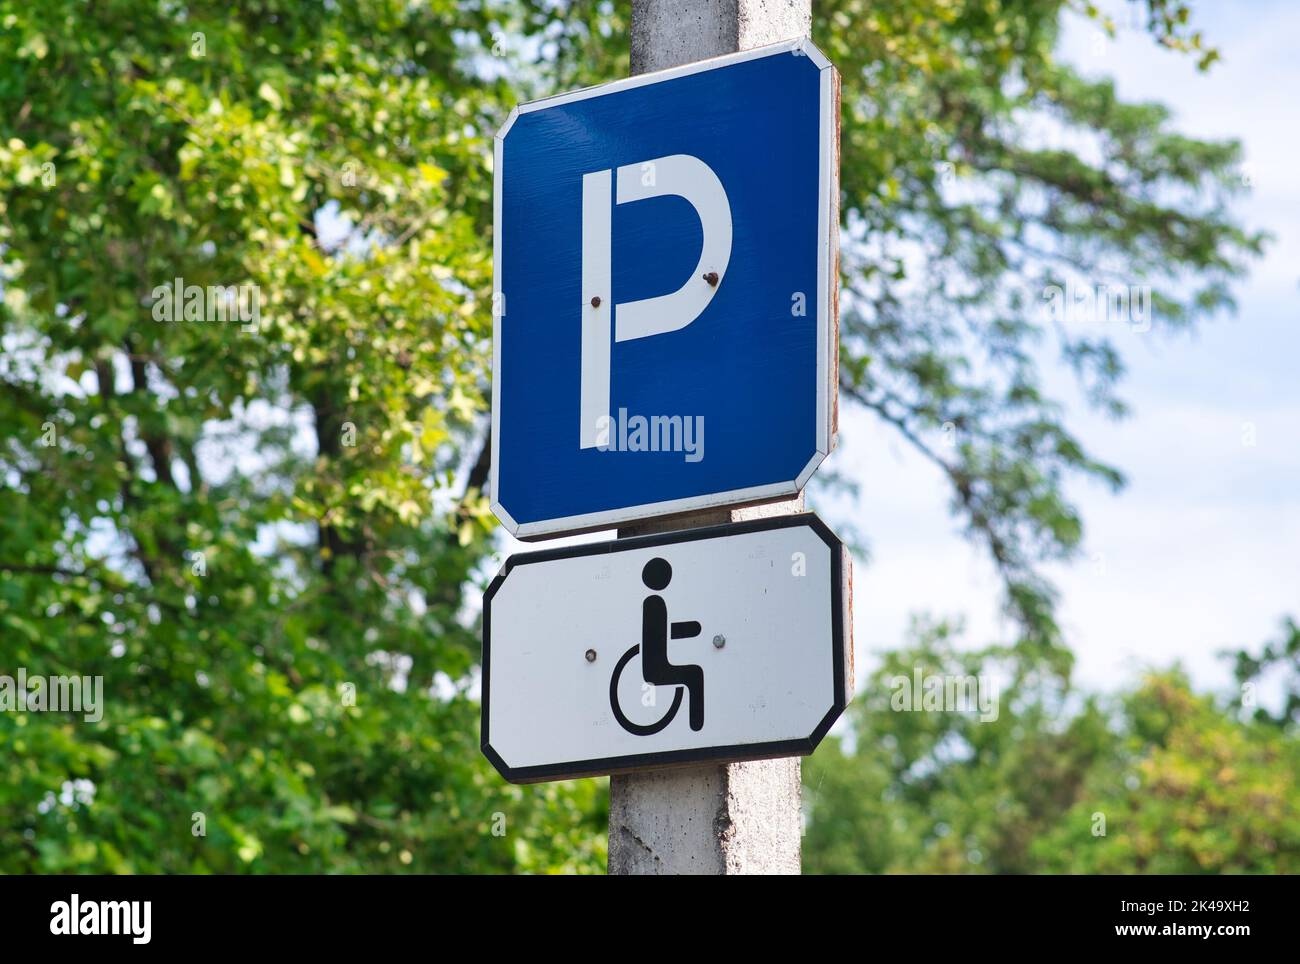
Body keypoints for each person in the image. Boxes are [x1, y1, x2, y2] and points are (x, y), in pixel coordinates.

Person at [639, 557, 704, 731]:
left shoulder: (653, 602)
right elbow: (663, 631)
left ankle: (696, 726)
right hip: (657, 667)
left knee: (694, 673)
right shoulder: (656, 603)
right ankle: (696, 725)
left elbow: (665, 631)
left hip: (656, 663)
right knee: (694, 674)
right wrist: (695, 628)